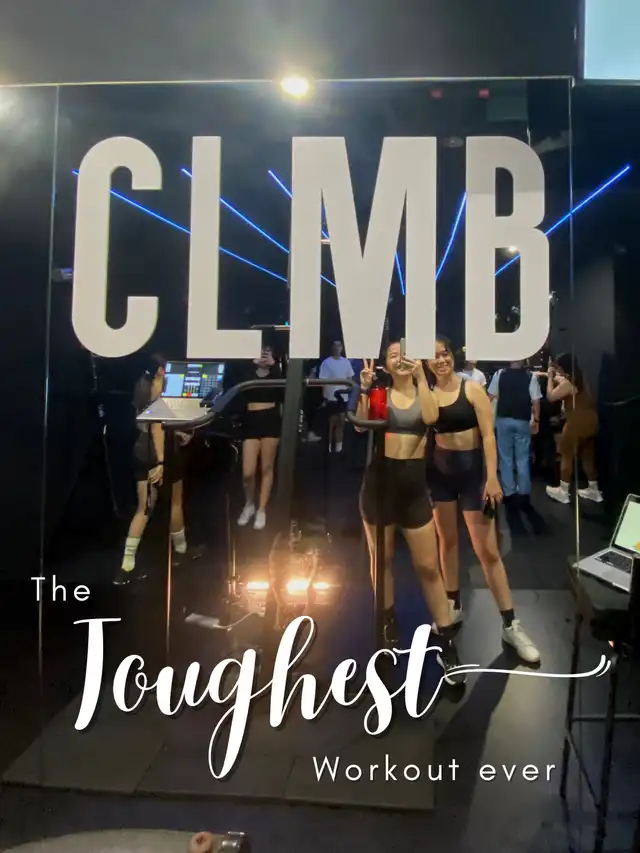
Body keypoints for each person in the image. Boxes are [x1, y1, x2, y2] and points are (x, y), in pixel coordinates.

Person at [426, 336, 540, 664]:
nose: (441, 360)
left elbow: (489, 436)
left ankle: (511, 624)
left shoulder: (472, 390)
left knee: (487, 552)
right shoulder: (429, 396)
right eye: (434, 356)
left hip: (473, 476)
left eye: (445, 354)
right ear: (427, 363)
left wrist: (492, 477)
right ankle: (453, 604)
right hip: (440, 477)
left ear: (452, 356)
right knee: (447, 542)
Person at [356, 344, 465, 686]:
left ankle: (446, 641)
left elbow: (431, 418)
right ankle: (388, 631)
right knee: (382, 562)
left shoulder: (424, 393)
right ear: (386, 365)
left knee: (429, 568)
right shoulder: (380, 394)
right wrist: (364, 389)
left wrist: (420, 375)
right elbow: (362, 426)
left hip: (414, 492)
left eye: (405, 354)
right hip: (379, 488)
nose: (400, 359)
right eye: (393, 356)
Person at [116, 354, 192, 585]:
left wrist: (176, 433)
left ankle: (126, 565)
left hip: (141, 451)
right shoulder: (163, 392)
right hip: (162, 454)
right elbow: (158, 427)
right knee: (175, 502)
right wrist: (160, 462)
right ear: (161, 370)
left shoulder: (142, 386)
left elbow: (143, 424)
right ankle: (181, 552)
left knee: (143, 509)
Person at [488, 359, 543, 524]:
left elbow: (490, 396)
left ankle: (509, 493)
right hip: (522, 421)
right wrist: (537, 420)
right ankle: (524, 493)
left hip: (503, 420)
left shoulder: (499, 374)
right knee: (522, 458)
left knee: (505, 459)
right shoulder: (530, 376)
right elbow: (536, 401)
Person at [544, 353, 602, 504]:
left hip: (577, 422)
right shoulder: (581, 379)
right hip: (592, 421)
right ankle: (594, 490)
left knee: (566, 455)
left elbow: (551, 396)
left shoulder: (567, 384)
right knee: (587, 456)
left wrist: (549, 378)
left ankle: (563, 492)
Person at [237, 345, 283, 530]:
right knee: (247, 473)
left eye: (267, 351)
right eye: (262, 351)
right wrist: (251, 364)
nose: (264, 355)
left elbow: (283, 393)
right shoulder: (248, 372)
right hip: (251, 421)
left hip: (270, 420)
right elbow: (240, 391)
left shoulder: (276, 373)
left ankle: (261, 509)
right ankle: (249, 504)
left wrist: (274, 366)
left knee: (266, 467)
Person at [319, 340, 354, 452]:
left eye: (338, 345)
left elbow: (350, 379)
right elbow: (323, 381)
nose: (336, 347)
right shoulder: (326, 363)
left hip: (343, 398)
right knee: (331, 423)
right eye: (334, 345)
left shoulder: (346, 362)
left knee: (341, 423)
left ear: (342, 348)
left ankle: (339, 448)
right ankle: (328, 447)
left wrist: (349, 393)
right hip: (331, 398)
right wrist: (324, 398)